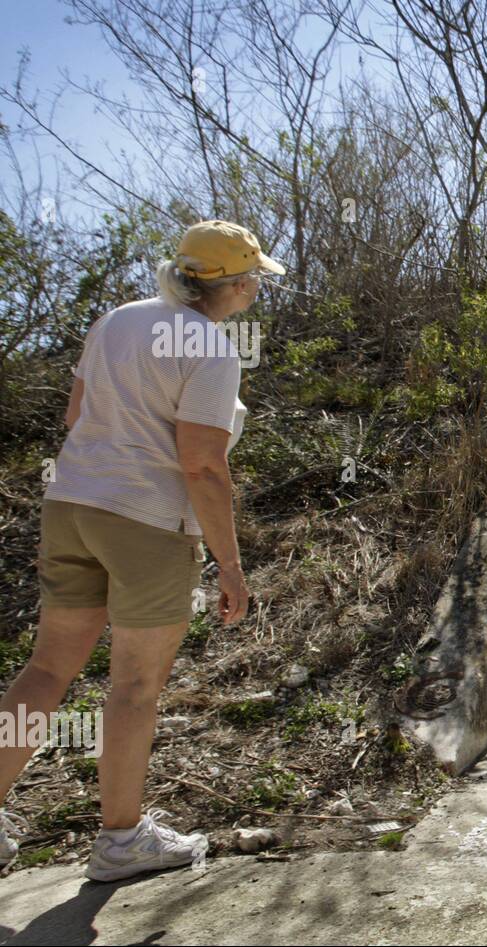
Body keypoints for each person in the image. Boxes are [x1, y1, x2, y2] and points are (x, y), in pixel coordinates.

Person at [0, 220, 279, 881]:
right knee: (133, 686)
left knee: (45, 671)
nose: (256, 291)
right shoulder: (212, 349)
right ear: (235, 285)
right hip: (147, 522)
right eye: (255, 281)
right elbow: (203, 464)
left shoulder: (117, 321)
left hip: (71, 504)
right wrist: (231, 564)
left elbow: (75, 417)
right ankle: (121, 841)